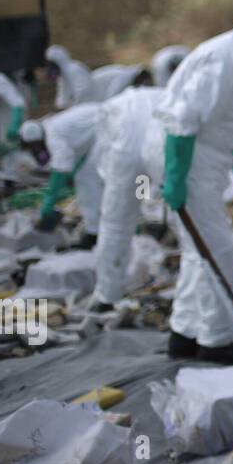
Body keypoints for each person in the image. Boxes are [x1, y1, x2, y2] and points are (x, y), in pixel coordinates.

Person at [146, 10, 233, 363]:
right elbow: (182, 122)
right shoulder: (223, 62)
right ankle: (216, 342)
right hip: (188, 161)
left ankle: (183, 336)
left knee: (199, 254)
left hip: (208, 164)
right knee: (219, 251)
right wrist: (176, 181)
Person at [91, 87, 165, 312]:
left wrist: (116, 186)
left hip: (124, 153)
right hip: (159, 149)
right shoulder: (167, 94)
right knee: (188, 218)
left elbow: (104, 153)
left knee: (114, 225)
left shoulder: (113, 105)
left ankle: (107, 295)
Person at [19, 103, 104, 251]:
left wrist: (50, 201)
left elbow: (60, 169)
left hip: (108, 129)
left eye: (36, 147)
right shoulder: (50, 128)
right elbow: (73, 153)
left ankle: (97, 232)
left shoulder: (54, 136)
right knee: (87, 178)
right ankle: (95, 229)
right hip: (100, 132)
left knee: (90, 179)